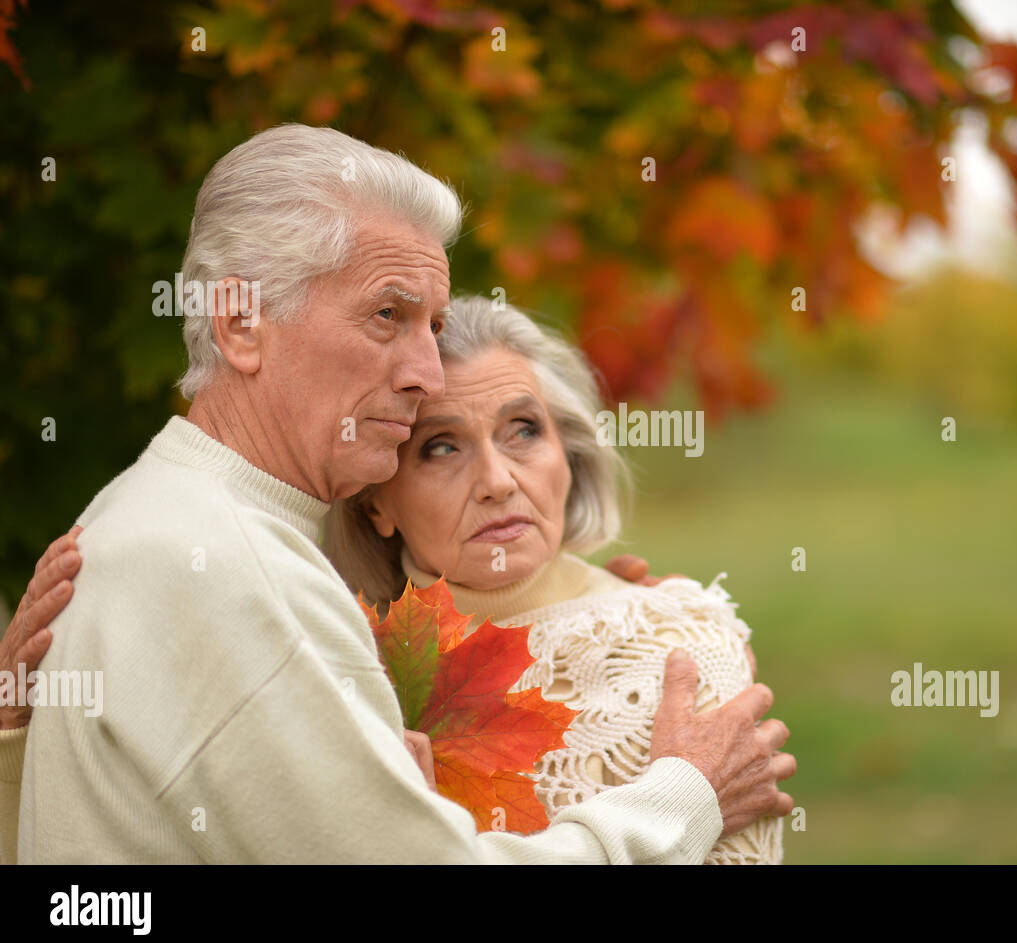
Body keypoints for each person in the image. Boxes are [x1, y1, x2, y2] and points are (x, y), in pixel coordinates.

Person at [0, 123, 794, 863]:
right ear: (240, 323)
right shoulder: (234, 570)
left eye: (433, 324)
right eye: (388, 315)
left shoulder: (144, 509)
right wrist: (680, 795)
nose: (425, 372)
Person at [325, 294, 781, 863]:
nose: (496, 481)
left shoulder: (678, 646)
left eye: (523, 430)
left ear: (570, 452)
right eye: (441, 447)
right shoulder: (336, 662)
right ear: (375, 505)